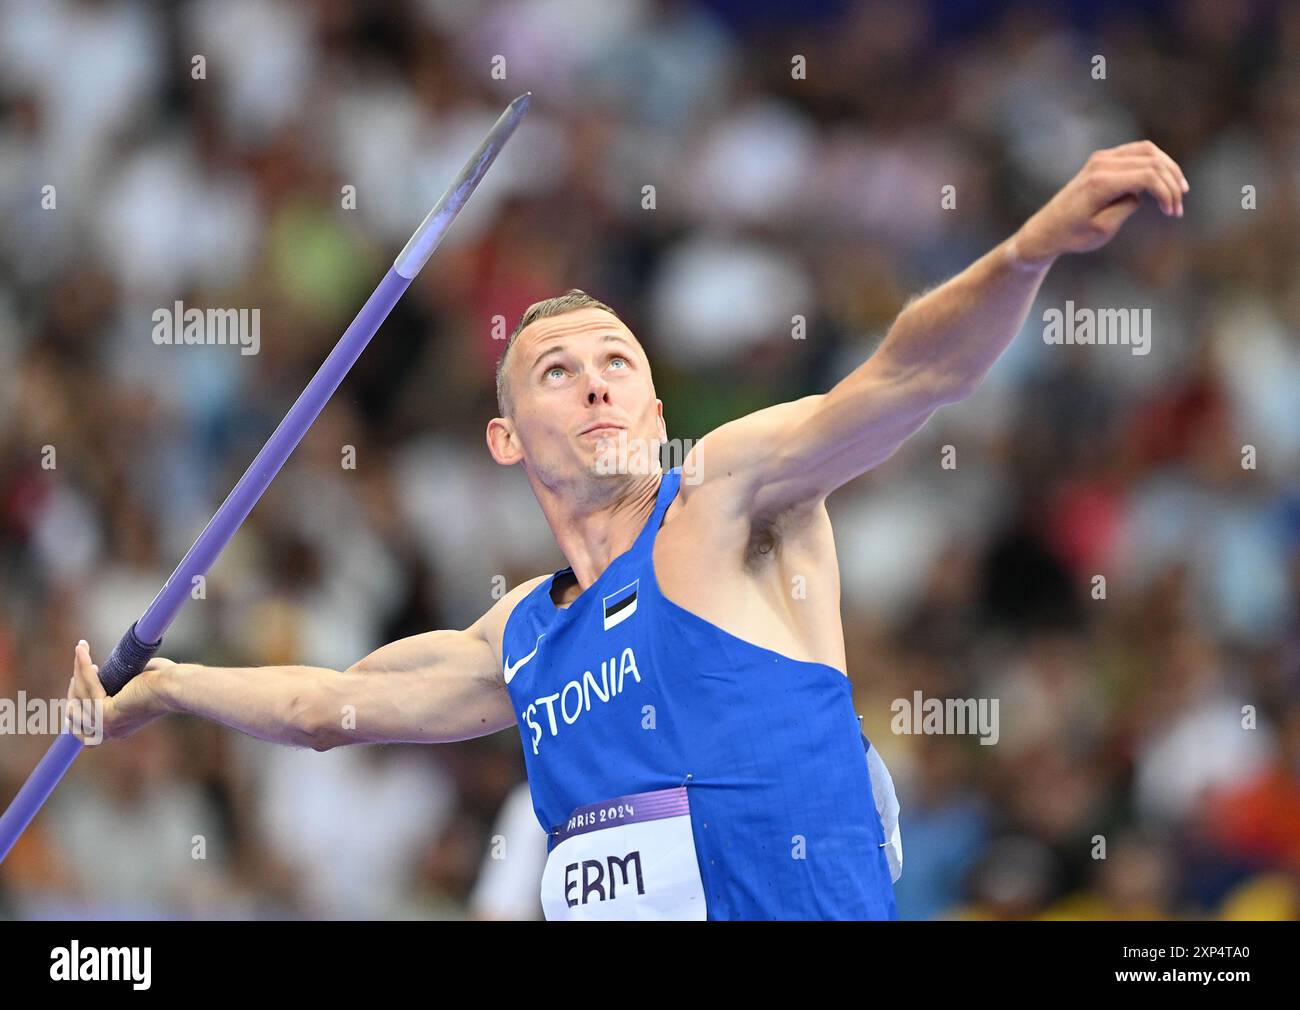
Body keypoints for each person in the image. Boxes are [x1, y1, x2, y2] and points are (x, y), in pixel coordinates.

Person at [67, 141, 1188, 920]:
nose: (598, 386)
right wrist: (167, 688)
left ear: (654, 408)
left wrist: (1026, 249)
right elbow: (326, 708)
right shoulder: (517, 636)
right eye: (557, 371)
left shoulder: (731, 498)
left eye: (620, 365)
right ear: (507, 438)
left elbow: (912, 372)